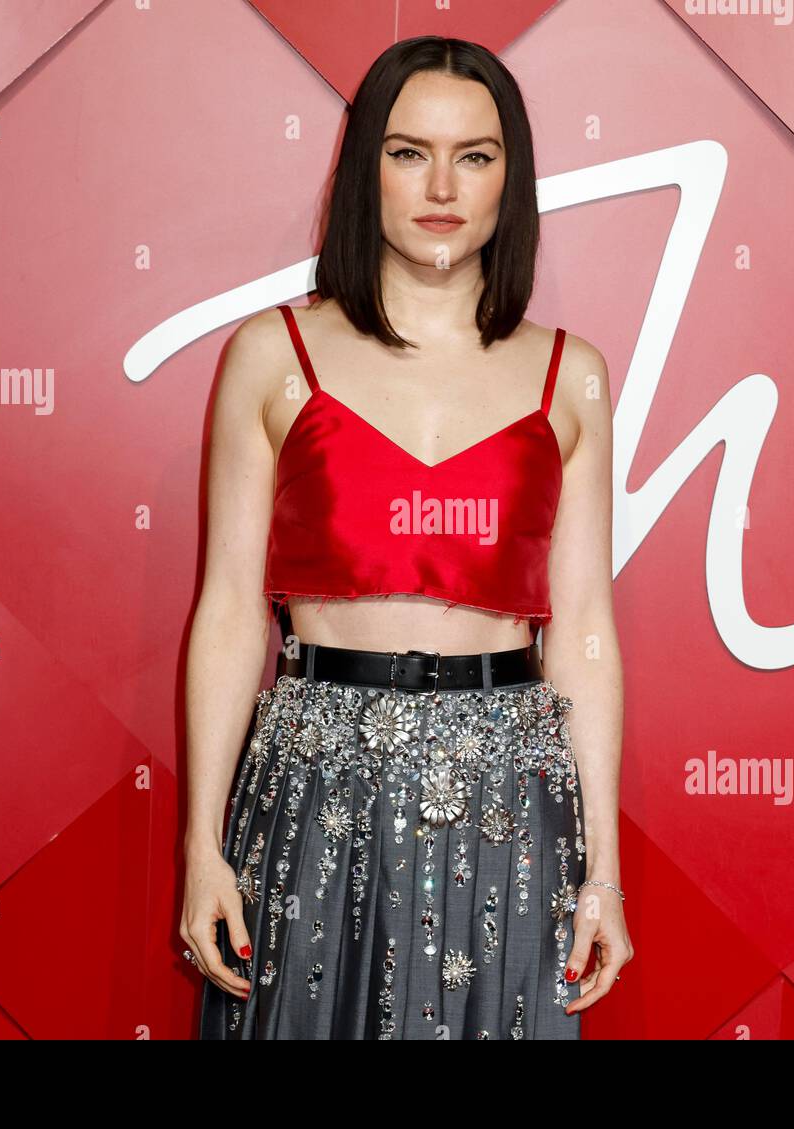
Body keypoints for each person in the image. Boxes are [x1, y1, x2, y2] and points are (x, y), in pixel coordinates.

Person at [182, 34, 630, 1040]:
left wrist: (601, 864)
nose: (440, 185)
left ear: (509, 180)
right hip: (308, 792)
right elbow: (224, 612)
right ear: (361, 172)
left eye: (475, 155)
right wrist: (200, 846)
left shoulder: (574, 374)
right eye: (405, 152)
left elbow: (587, 630)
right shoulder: (272, 353)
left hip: (510, 806)